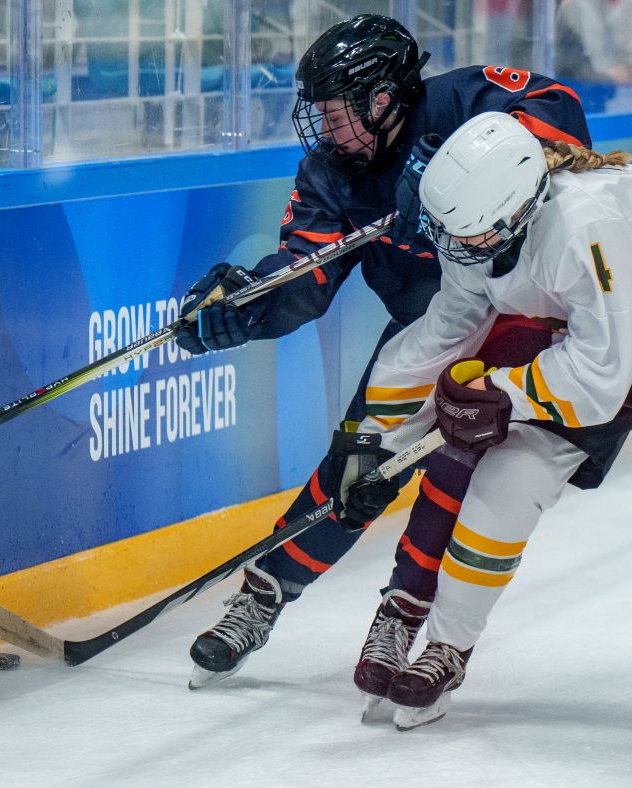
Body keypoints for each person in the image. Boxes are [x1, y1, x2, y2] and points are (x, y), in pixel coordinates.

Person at [173, 13, 596, 696]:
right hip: (430, 327)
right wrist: (245, 309)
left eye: (336, 113)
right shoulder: (329, 174)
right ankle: (263, 594)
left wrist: (460, 164)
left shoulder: (464, 99)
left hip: (522, 318)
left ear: (383, 98)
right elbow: (307, 276)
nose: (324, 129)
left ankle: (405, 615)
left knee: (465, 480)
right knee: (359, 463)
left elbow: (562, 112)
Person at [345, 112, 632, 751]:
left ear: (518, 212)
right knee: (507, 477)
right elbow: (446, 326)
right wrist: (378, 441)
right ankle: (447, 648)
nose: (457, 248)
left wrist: (502, 394)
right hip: (597, 337)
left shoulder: (586, 226)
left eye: (471, 234)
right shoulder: (480, 225)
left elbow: (601, 378)